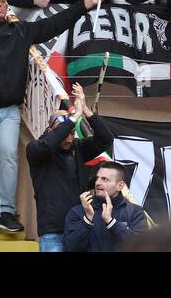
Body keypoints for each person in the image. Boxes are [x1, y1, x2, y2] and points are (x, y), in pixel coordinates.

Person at [0, 0, 106, 235]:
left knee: (8, 156)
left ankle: (4, 212)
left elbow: (55, 23)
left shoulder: (21, 30)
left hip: (10, 109)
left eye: (2, 0)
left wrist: (85, 3)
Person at [26, 83, 113, 253]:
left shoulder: (78, 148)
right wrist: (74, 117)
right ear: (50, 130)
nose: (69, 138)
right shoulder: (35, 149)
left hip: (81, 226)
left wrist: (85, 110)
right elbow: (48, 144)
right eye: (64, 133)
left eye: (72, 133)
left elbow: (105, 139)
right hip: (52, 230)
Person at [63, 160, 149, 251]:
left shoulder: (135, 212)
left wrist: (111, 223)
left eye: (104, 179)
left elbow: (141, 246)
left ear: (120, 186)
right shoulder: (78, 211)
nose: (97, 183)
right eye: (97, 178)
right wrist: (87, 220)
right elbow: (69, 247)